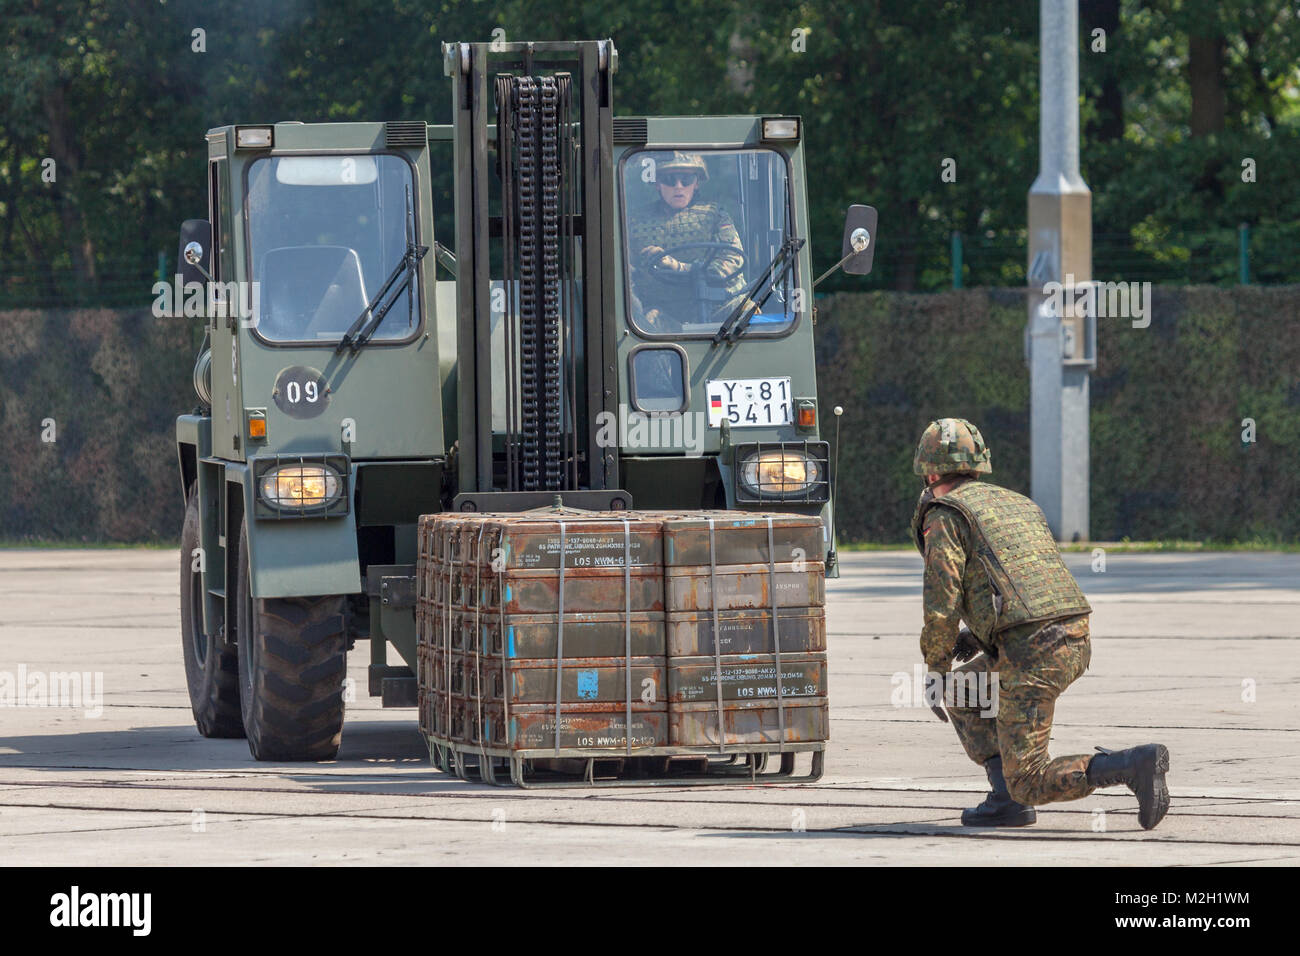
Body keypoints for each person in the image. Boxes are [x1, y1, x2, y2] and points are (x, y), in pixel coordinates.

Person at [909, 417, 1171, 829]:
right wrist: (975, 637)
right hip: (1073, 638)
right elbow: (1020, 585)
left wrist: (936, 668)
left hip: (1031, 652)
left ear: (932, 471)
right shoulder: (1018, 504)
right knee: (963, 692)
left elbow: (940, 600)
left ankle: (1130, 765)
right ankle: (1003, 801)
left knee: (1028, 779)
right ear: (979, 466)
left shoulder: (945, 515)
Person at [626, 152, 748, 331]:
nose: (678, 186)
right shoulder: (634, 222)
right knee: (645, 322)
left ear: (696, 182)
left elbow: (732, 262)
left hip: (716, 307)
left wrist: (679, 267)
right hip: (663, 314)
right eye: (669, 179)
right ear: (657, 184)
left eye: (686, 179)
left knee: (749, 312)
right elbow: (623, 274)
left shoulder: (714, 216)